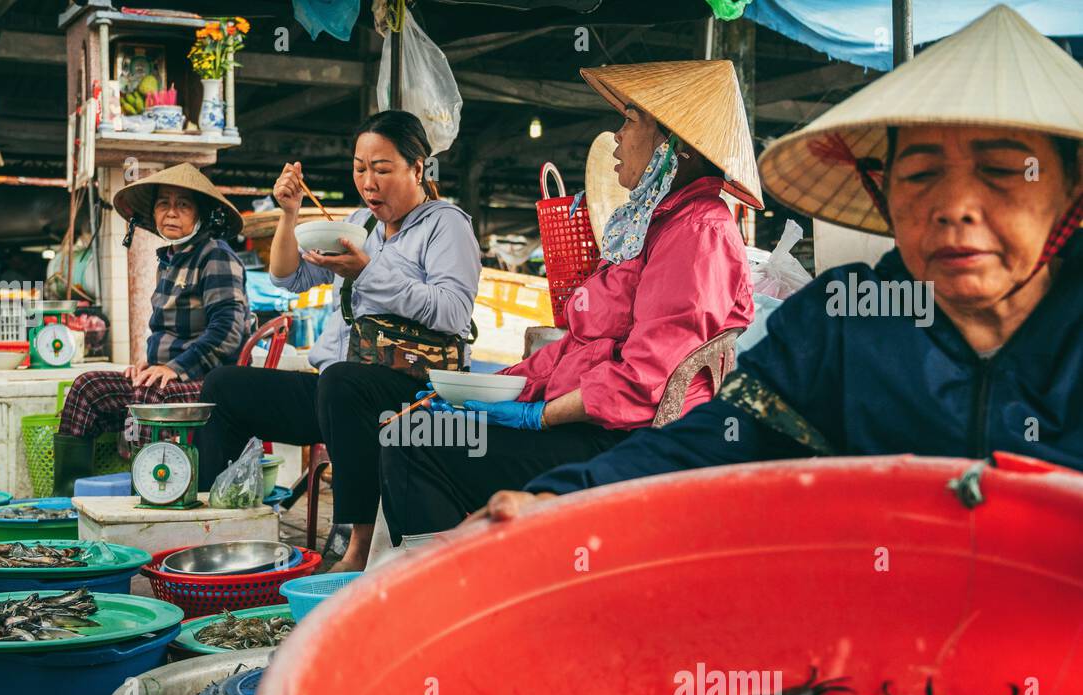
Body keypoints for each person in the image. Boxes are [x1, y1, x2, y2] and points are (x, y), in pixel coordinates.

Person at [475, 5, 1083, 524]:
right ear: (882, 193)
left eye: (1003, 172)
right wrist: (558, 499)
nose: (955, 209)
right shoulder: (841, 324)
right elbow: (713, 442)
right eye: (921, 175)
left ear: (1071, 194)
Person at [378, 59, 761, 543]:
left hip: (632, 442)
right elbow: (578, 346)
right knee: (419, 430)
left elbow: (645, 381)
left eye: (628, 119)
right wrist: (493, 390)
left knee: (415, 447)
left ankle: (443, 597)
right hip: (596, 423)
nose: (616, 137)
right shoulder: (653, 225)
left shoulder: (698, 229)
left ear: (675, 147)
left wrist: (534, 415)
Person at [196, 110, 481, 569]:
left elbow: (452, 311)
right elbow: (289, 277)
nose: (369, 182)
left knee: (342, 383)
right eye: (360, 168)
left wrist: (370, 272)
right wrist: (288, 215)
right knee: (224, 387)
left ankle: (357, 544)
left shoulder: (446, 225)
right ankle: (221, 530)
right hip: (340, 389)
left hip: (414, 391)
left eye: (383, 169)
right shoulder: (357, 224)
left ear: (418, 168)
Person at [53, 162, 251, 495]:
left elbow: (228, 330)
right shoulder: (169, 260)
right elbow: (164, 333)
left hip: (210, 384)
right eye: (164, 204)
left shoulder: (215, 256)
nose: (171, 212)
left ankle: (148, 498)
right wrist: (149, 365)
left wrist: (174, 368)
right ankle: (68, 500)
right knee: (88, 388)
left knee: (150, 399)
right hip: (171, 381)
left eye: (183, 205)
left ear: (200, 213)